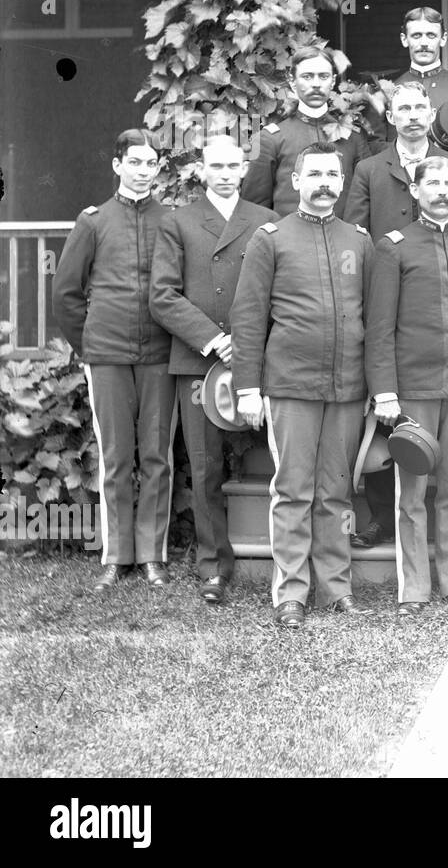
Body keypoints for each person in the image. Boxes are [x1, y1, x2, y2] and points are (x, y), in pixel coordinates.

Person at [231, 142, 374, 629]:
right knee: (293, 489)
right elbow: (248, 319)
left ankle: (336, 587)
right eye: (314, 174)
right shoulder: (270, 239)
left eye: (332, 174)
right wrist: (248, 387)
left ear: (342, 181)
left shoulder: (359, 239)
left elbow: (372, 319)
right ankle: (291, 591)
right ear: (296, 181)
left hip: (348, 386)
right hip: (290, 385)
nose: (324, 183)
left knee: (336, 492)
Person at [343, 81, 448, 548]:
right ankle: (387, 517)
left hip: (441, 295)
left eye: (420, 107)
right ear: (392, 116)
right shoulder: (368, 168)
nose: (412, 115)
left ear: (431, 112)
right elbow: (357, 234)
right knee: (389, 418)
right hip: (385, 290)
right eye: (402, 108)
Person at [150, 135, 277, 605]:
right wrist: (215, 339)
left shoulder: (266, 222)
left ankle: (289, 559)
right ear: (201, 170)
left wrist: (247, 344)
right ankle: (213, 565)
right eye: (215, 166)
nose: (225, 173)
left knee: (287, 458)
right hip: (200, 359)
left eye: (232, 166)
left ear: (244, 170)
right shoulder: (177, 223)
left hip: (259, 357)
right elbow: (162, 295)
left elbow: (279, 292)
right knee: (203, 466)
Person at [53, 130, 176, 593]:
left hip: (160, 353)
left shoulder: (171, 220)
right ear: (117, 164)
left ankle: (152, 555)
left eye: (151, 163)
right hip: (106, 354)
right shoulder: (93, 221)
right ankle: (117, 555)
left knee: (157, 454)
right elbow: (65, 292)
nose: (144, 170)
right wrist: (89, 344)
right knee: (116, 456)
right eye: (135, 162)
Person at [366, 156, 448, 616]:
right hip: (413, 386)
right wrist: (385, 391)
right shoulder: (393, 247)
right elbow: (379, 328)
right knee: (411, 491)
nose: (440, 190)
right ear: (414, 192)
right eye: (430, 183)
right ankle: (414, 585)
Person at [243, 47, 370, 216]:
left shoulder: (353, 138)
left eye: (323, 76)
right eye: (307, 76)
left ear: (332, 81)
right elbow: (254, 210)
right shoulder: (269, 139)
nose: (316, 84)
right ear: (292, 80)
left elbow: (365, 201)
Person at [360, 6, 448, 166]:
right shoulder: (386, 92)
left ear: (443, 38)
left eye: (431, 35)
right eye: (416, 36)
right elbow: (373, 144)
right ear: (404, 39)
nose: (424, 43)